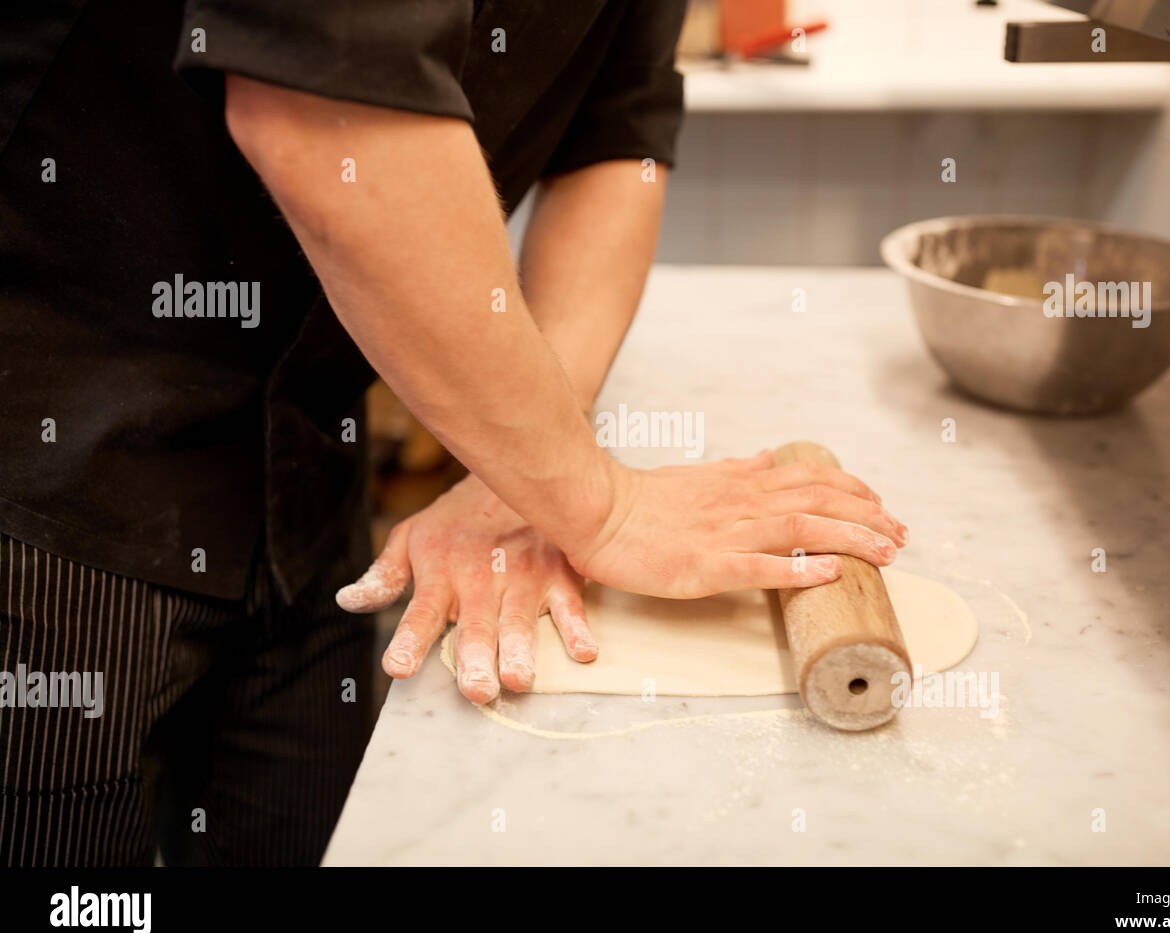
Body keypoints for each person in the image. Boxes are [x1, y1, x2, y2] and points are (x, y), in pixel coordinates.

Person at [0, 0, 906, 865]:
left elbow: (615, 135)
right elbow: (320, 110)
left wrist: (525, 475)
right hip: (45, 473)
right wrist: (603, 507)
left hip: (304, 470)